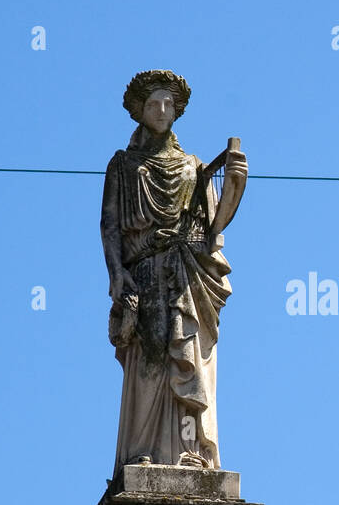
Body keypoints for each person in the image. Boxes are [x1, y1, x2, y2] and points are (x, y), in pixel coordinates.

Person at [100, 69, 247, 476]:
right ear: (140, 111)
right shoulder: (123, 164)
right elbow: (109, 226)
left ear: (177, 110)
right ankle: (141, 451)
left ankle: (188, 449)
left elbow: (212, 228)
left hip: (185, 272)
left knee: (186, 360)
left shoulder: (194, 167)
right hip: (145, 271)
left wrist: (234, 185)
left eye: (168, 103)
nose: (162, 110)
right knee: (150, 359)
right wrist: (117, 275)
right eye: (153, 104)